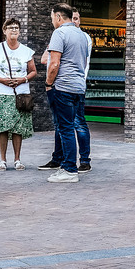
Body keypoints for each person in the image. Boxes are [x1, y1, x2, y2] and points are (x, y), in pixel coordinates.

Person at [39, 10, 92, 172]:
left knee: (71, 126)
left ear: (59, 17)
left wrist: (48, 83)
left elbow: (53, 63)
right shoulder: (81, 36)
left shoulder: (61, 33)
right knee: (63, 126)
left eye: (77, 18)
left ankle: (72, 166)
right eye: (73, 18)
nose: (75, 22)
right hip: (77, 86)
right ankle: (61, 160)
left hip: (64, 87)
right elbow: (45, 59)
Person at [0, 17, 37, 171]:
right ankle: (2, 160)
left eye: (16, 28)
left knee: (18, 128)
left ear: (19, 32)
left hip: (20, 95)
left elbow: (33, 71)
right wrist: (2, 80)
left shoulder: (26, 51)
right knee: (2, 127)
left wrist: (23, 79)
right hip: (1, 93)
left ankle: (17, 159)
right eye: (10, 27)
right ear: (5, 31)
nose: (14, 30)